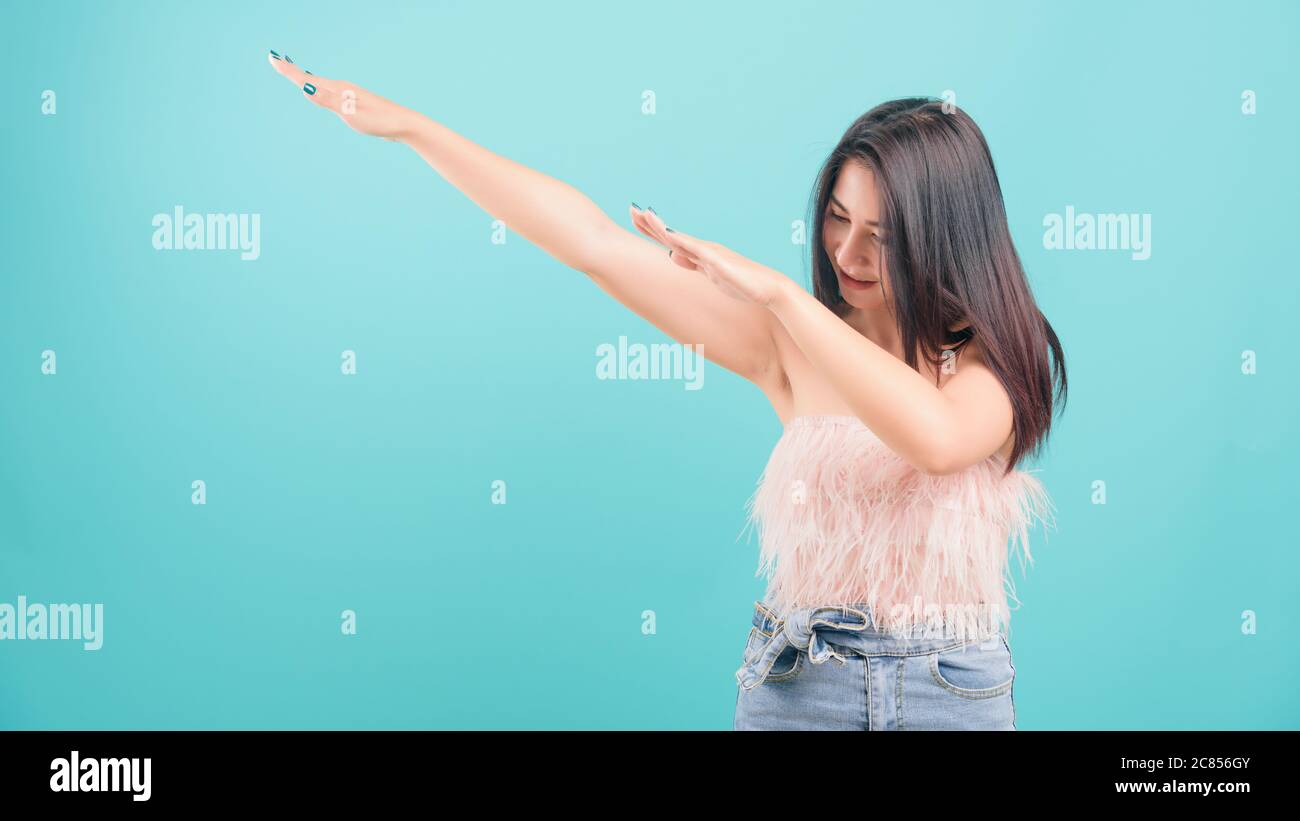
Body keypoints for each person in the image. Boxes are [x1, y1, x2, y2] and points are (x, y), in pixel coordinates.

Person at [266, 52, 1066, 730]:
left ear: (943, 236)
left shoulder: (989, 361)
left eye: (882, 236)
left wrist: (780, 297)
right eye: (835, 216)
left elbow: (932, 439)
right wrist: (413, 128)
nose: (846, 251)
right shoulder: (786, 348)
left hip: (952, 695)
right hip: (802, 687)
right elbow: (594, 245)